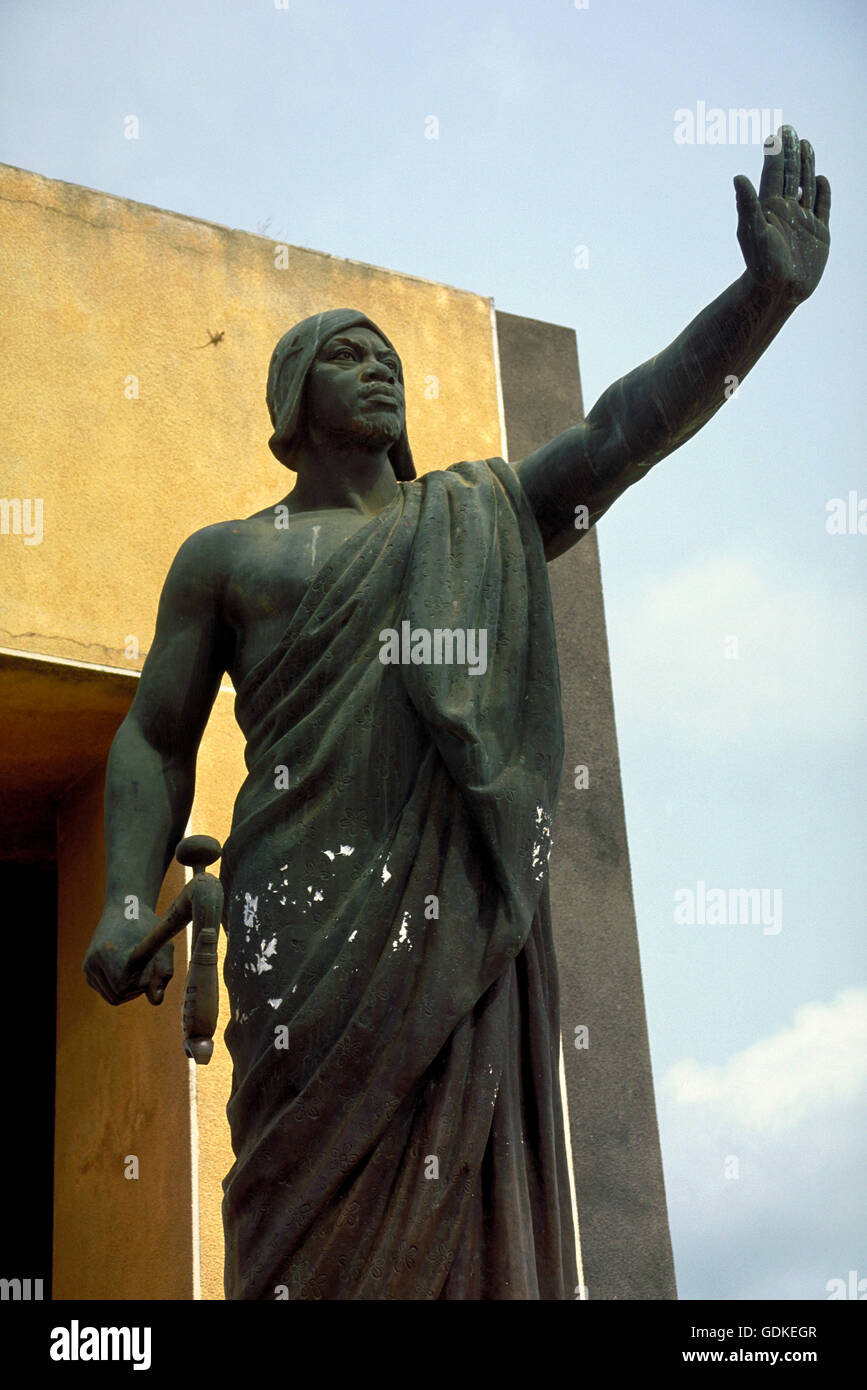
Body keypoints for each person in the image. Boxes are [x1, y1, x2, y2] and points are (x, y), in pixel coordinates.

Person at [84, 128, 829, 1299]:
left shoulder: (472, 513)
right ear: (291, 397)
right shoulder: (229, 557)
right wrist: (127, 897)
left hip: (451, 923)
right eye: (347, 356)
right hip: (303, 920)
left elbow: (620, 435)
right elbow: (154, 736)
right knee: (290, 1207)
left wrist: (760, 303)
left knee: (463, 1222)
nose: (379, 370)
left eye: (389, 356)